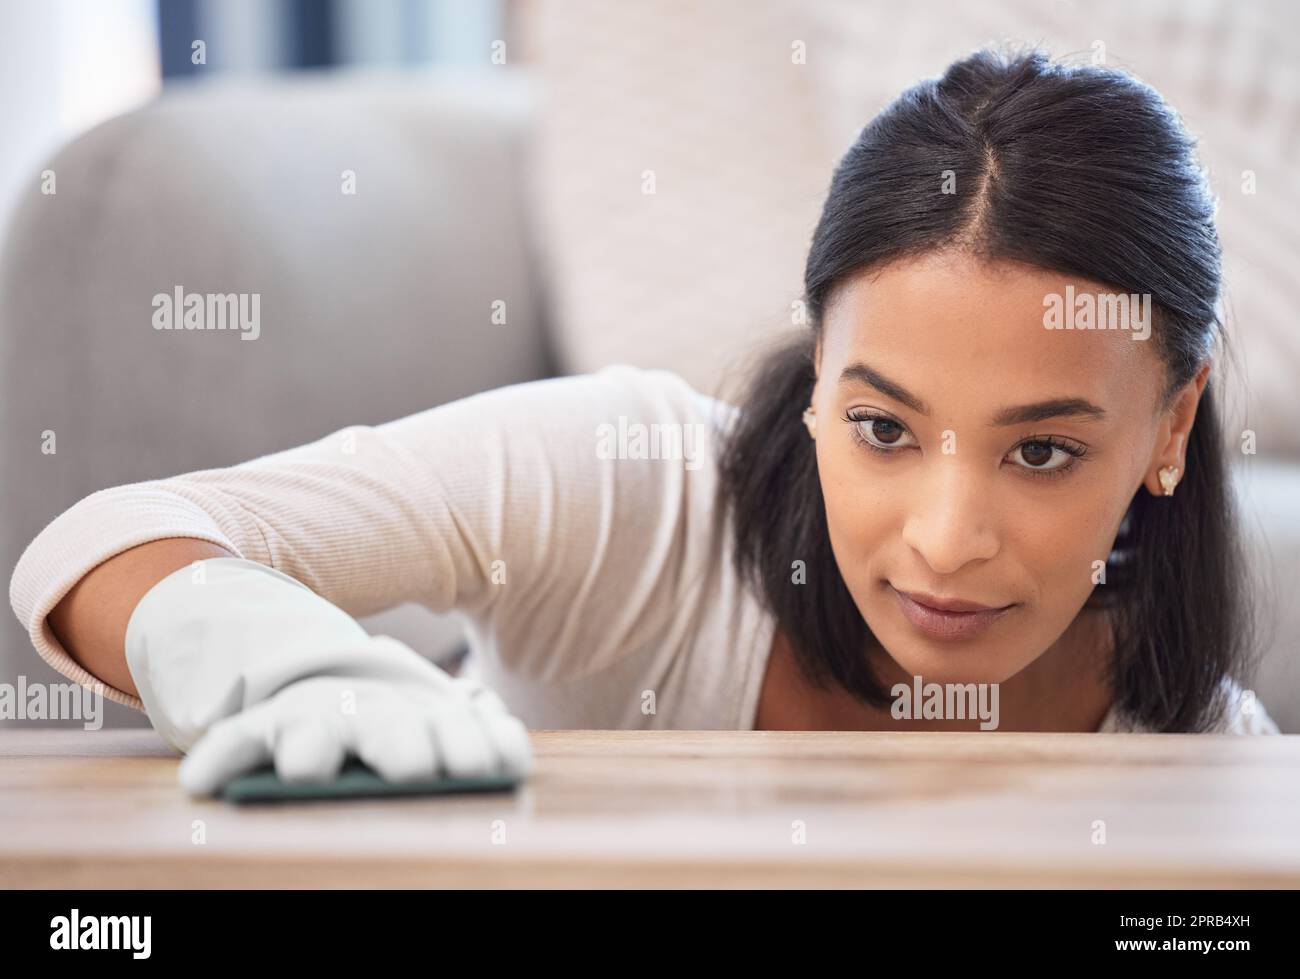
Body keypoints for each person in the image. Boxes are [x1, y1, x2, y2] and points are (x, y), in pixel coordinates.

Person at [8, 47, 1279, 797]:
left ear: (1170, 429)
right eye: (882, 427)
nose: (945, 544)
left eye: (1041, 452)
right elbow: (113, 538)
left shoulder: (1202, 766)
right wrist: (265, 656)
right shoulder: (636, 485)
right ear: (819, 359)